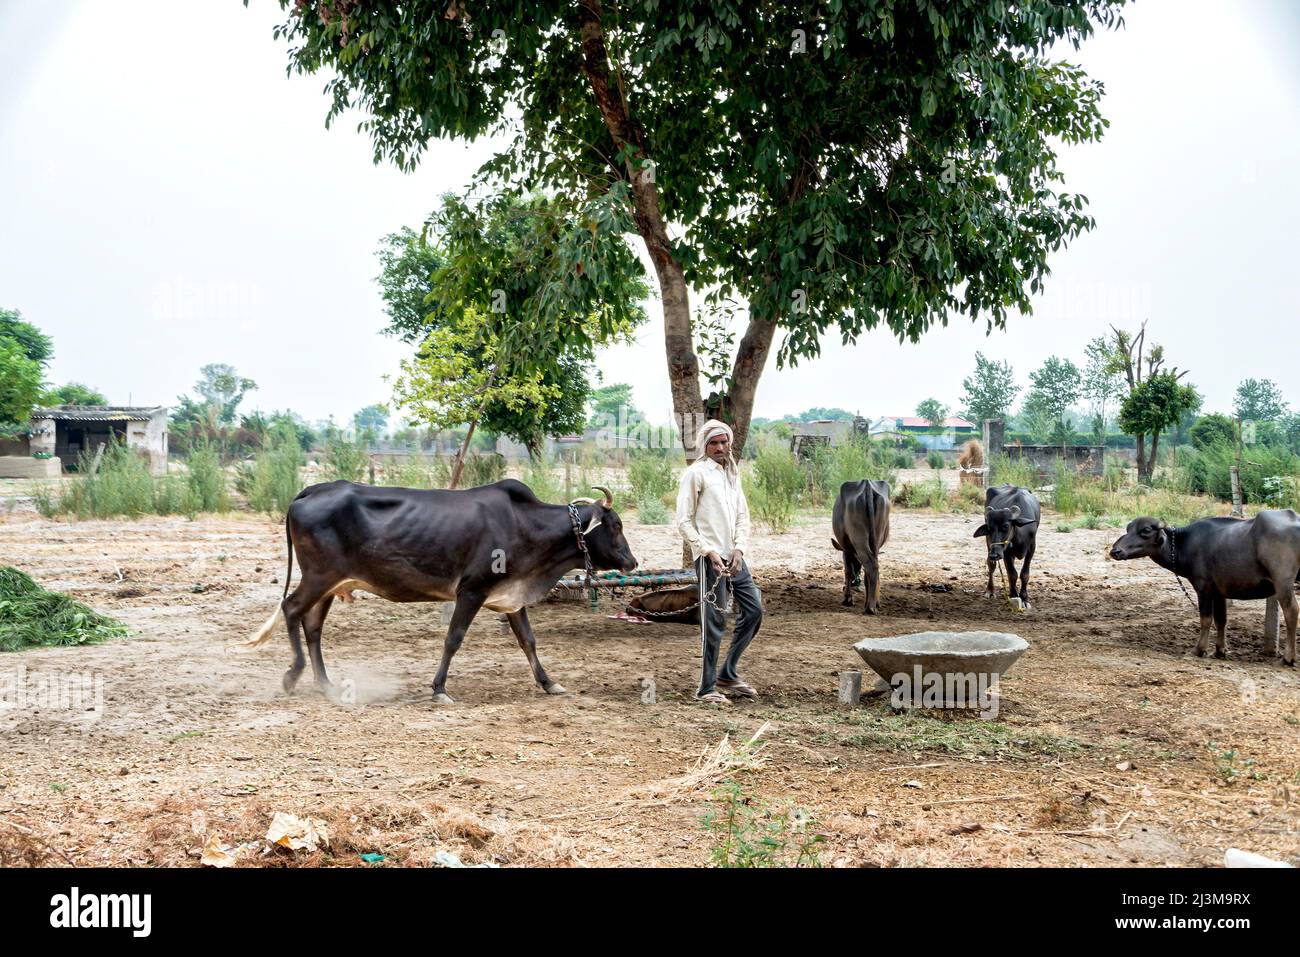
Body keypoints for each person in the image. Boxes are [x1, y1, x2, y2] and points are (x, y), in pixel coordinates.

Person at [674, 419, 763, 704]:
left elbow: (742, 517)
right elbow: (684, 521)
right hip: (709, 559)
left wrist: (739, 549)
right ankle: (706, 688)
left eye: (724, 442)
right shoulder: (696, 474)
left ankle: (728, 672)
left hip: (734, 557)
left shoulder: (732, 474)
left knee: (754, 610)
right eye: (714, 443)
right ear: (705, 445)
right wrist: (707, 551)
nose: (720, 448)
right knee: (714, 621)